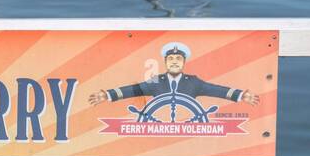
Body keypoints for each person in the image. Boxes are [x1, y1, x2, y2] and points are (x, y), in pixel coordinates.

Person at [87, 42, 260, 107]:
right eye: (171, 58)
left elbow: (216, 90)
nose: (175, 61)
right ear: (166, 62)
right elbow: (134, 90)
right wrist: (107, 95)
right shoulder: (156, 82)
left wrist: (241, 95)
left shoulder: (194, 82)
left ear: (184, 62)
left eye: (178, 58)